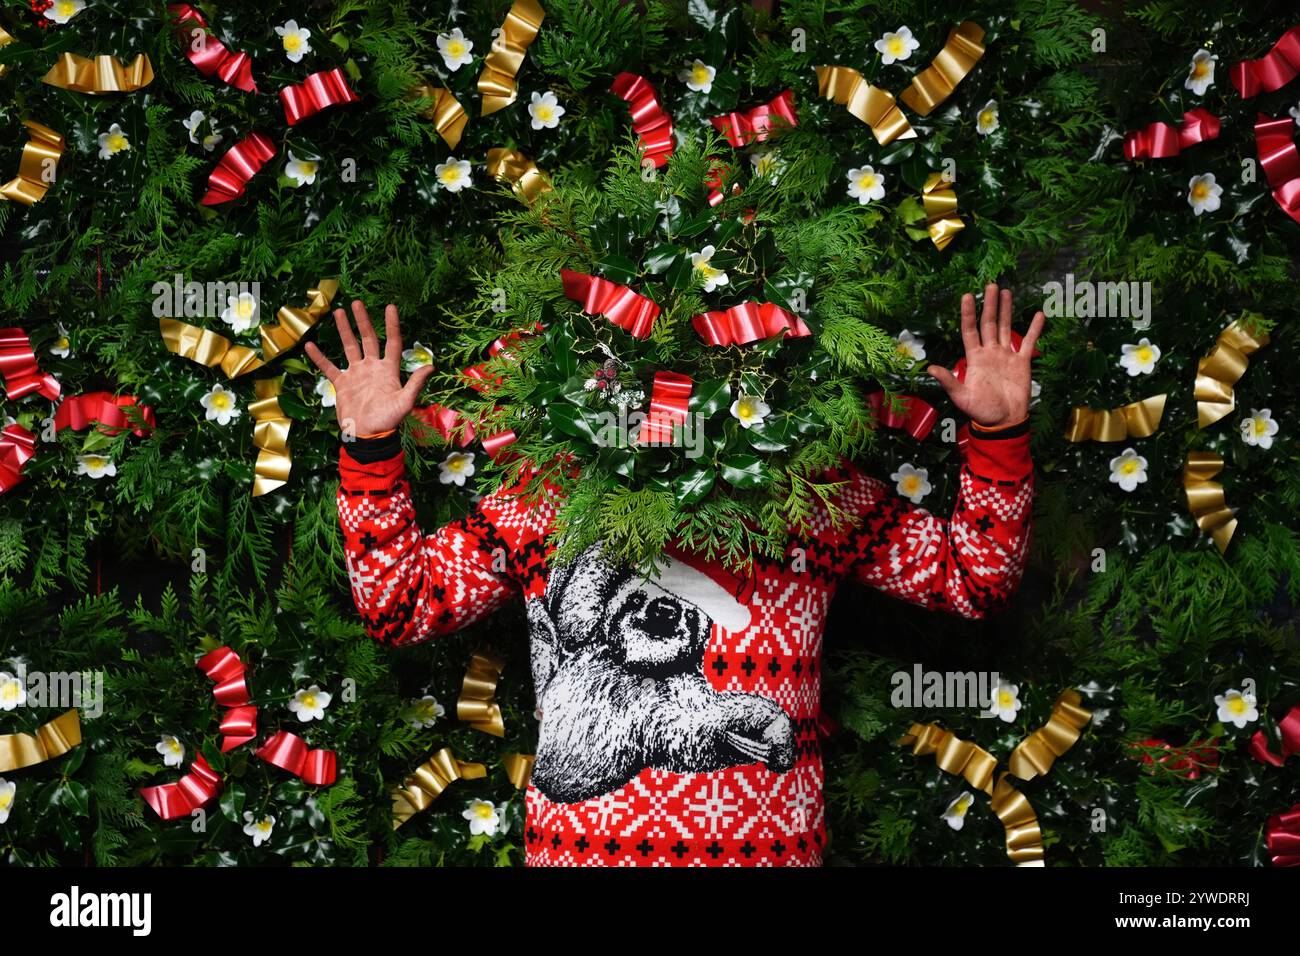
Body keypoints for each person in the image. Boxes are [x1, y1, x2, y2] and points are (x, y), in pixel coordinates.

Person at [306, 283, 1044, 866]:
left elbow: (973, 580)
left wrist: (1000, 432)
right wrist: (370, 446)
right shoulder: (552, 494)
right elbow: (399, 606)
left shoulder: (807, 494)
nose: (677, 385)